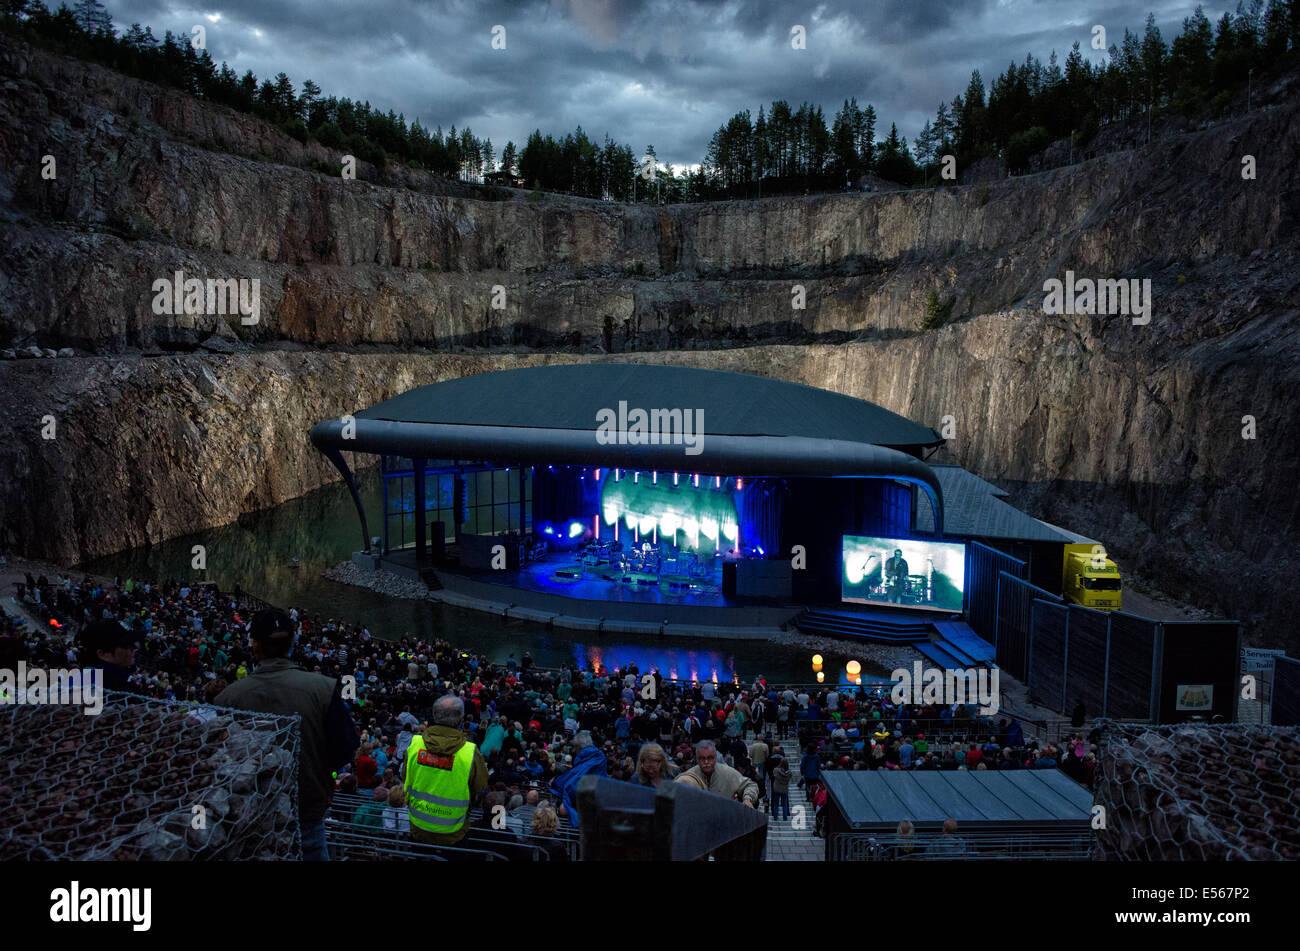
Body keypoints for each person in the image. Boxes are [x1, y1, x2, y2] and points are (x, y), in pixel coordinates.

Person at [216, 608, 359, 862]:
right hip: (306, 814)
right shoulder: (322, 688)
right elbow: (345, 749)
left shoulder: (228, 698)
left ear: (255, 646)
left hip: (246, 822)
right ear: (293, 642)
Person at [403, 694, 489, 846]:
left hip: (418, 827)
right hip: (453, 833)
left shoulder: (415, 744)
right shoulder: (470, 752)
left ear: (435, 716)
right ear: (461, 721)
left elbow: (405, 775)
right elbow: (480, 786)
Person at [674, 740, 758, 807]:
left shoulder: (727, 773)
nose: (706, 762)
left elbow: (750, 785)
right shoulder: (688, 778)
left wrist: (747, 799)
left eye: (710, 758)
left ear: (715, 758)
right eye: (702, 758)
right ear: (697, 759)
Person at [549, 730, 607, 828]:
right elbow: (582, 772)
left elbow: (577, 780)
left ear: (579, 747)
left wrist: (556, 781)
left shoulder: (593, 757)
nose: (574, 750)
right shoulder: (599, 756)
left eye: (575, 747)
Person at [78, 619, 140, 692]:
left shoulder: (116, 678)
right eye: (126, 645)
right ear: (102, 654)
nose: (135, 648)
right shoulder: (82, 688)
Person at [769, 755, 792, 821]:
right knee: (784, 804)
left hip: (777, 788)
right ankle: (785, 818)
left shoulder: (776, 770)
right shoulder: (789, 773)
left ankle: (775, 817)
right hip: (784, 789)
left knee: (776, 803)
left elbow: (774, 776)